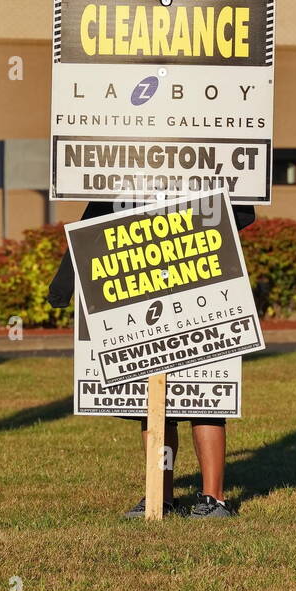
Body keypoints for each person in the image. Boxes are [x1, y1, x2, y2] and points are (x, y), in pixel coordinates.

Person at [48, 198, 256, 519]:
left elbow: (239, 212)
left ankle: (214, 499)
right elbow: (95, 222)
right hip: (140, 284)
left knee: (206, 395)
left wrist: (183, 227)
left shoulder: (203, 168)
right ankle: (160, 495)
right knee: (152, 404)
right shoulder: (126, 168)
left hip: (200, 274)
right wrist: (66, 281)